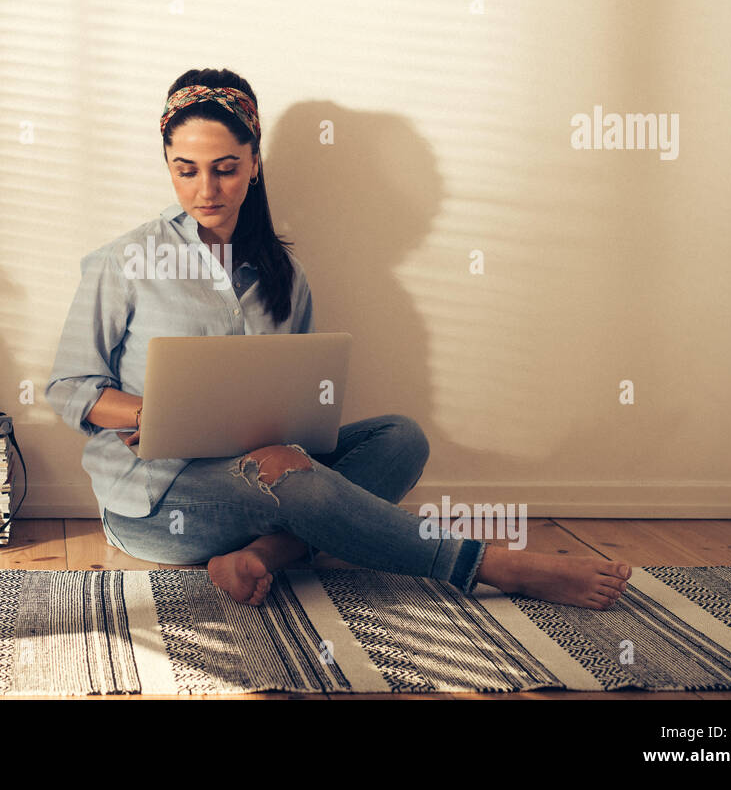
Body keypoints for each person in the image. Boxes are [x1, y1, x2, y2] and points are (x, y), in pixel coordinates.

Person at [45, 67, 632, 609]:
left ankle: (265, 553)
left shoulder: (285, 275)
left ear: (254, 161)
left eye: (225, 168)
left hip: (263, 478)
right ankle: (495, 566)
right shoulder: (124, 260)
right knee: (296, 478)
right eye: (185, 169)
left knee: (401, 438)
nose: (206, 189)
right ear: (168, 164)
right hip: (159, 500)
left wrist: (291, 434)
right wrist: (151, 412)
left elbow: (303, 400)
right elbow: (70, 387)